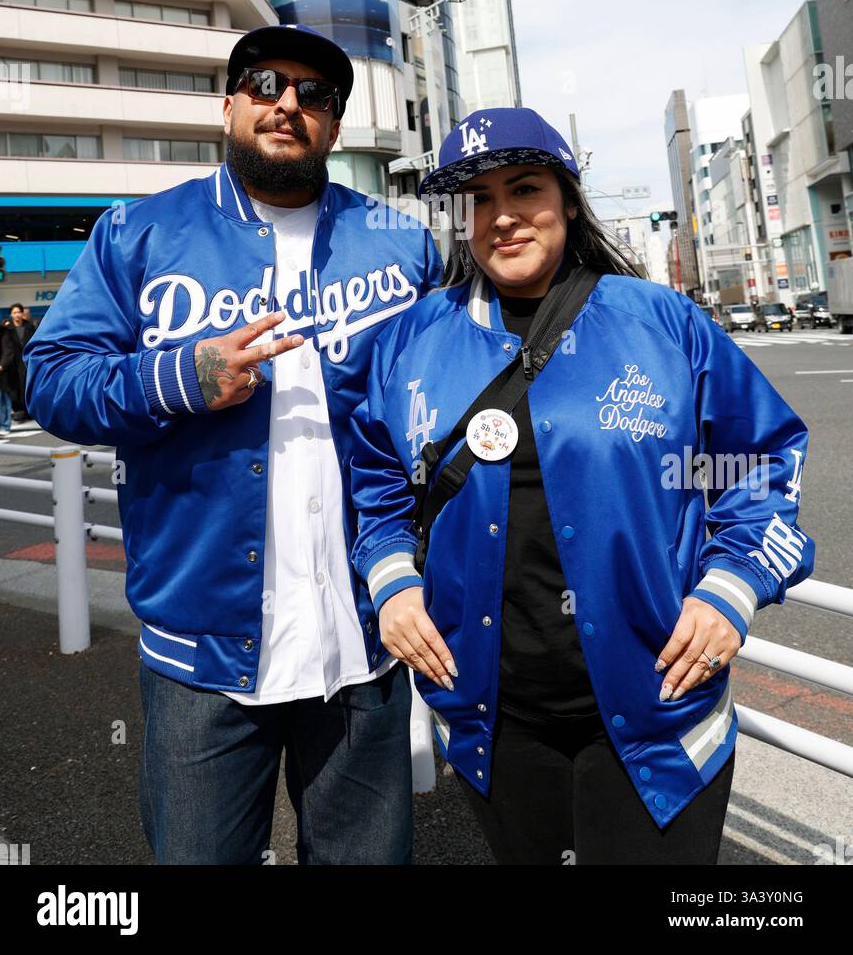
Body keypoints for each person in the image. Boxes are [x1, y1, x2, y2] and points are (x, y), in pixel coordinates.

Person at [349, 106, 816, 865]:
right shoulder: (412, 340)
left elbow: (763, 459)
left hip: (660, 710)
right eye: (478, 200)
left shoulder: (660, 320)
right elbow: (374, 483)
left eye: (524, 189)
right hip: (488, 718)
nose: (502, 217)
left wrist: (733, 584)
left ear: (567, 199)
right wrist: (391, 583)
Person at [24, 23, 443, 866]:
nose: (287, 104)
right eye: (264, 84)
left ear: (334, 125)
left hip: (362, 642)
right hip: (201, 658)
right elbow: (50, 379)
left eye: (314, 95)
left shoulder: (403, 245)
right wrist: (177, 378)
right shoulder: (138, 235)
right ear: (228, 106)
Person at [4, 303, 35, 422]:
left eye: (18, 312)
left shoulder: (30, 326)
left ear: (22, 313)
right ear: (11, 315)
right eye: (14, 313)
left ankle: (28, 411)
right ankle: (18, 411)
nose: (17, 315)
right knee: (14, 388)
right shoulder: (7, 329)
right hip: (12, 363)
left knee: (27, 387)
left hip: (26, 362)